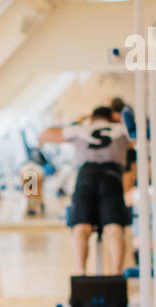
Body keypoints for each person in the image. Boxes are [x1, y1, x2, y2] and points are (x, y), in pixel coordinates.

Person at [39, 106, 132, 274]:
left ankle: (80, 274)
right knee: (114, 228)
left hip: (86, 177)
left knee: (81, 228)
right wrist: (121, 120)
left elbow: (44, 135)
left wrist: (80, 121)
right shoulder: (121, 129)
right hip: (112, 177)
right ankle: (118, 275)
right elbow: (150, 132)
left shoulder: (81, 128)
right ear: (111, 116)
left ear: (92, 116)